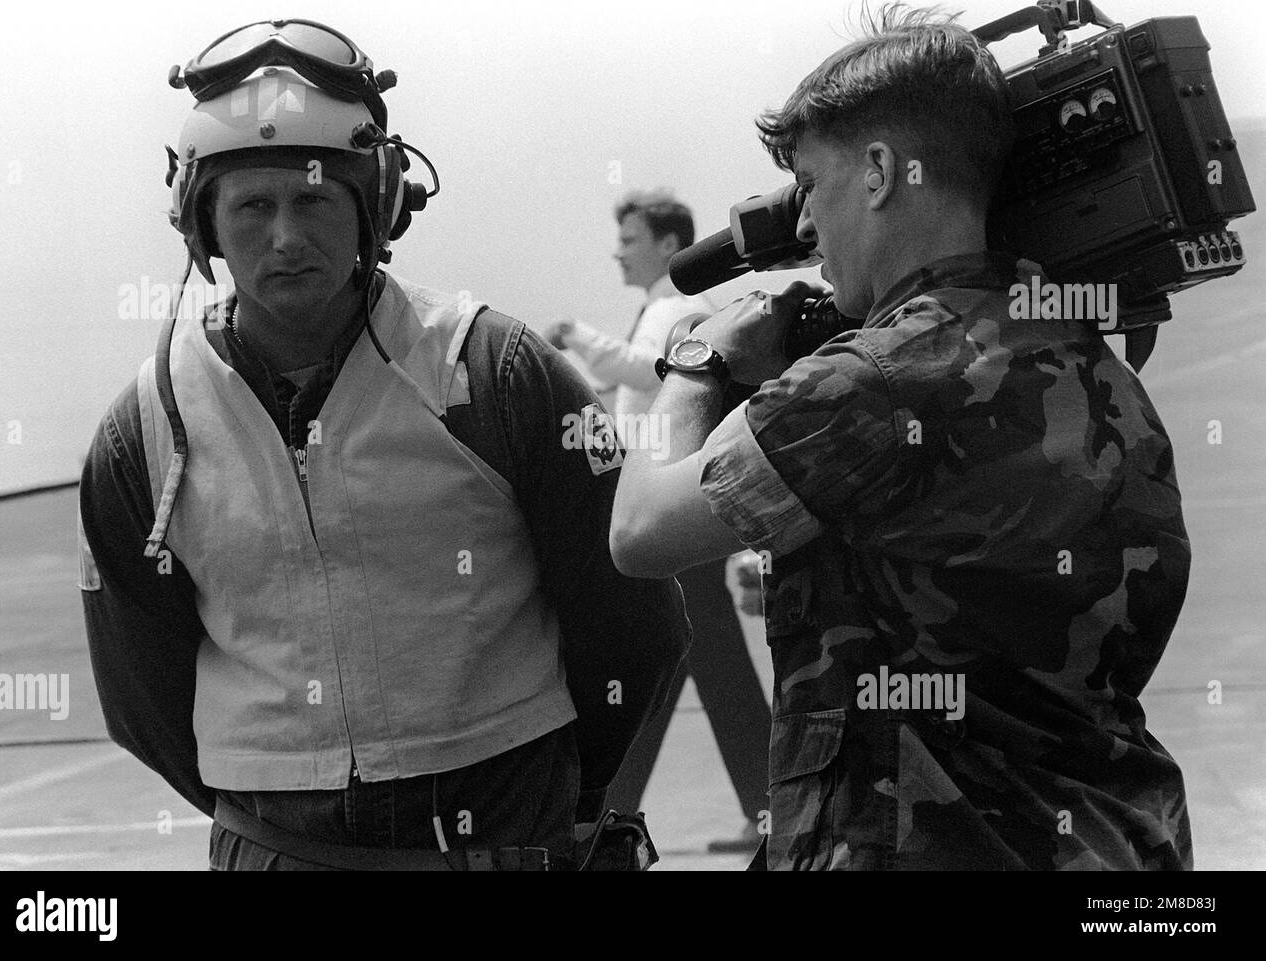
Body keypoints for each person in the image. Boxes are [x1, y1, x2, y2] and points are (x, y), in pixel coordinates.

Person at [77, 19, 689, 871]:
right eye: (252, 205)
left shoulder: (494, 376)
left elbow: (634, 630)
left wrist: (552, 807)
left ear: (377, 205)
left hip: (503, 842)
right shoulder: (146, 430)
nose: (286, 237)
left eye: (317, 199)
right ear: (202, 224)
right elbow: (143, 700)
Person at [608, 6, 1193, 870]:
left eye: (811, 183)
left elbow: (641, 530)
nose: (803, 226)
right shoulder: (1094, 359)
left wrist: (698, 359)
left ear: (880, 171)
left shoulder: (870, 380)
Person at [547, 191, 771, 847]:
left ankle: (606, 812)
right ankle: (755, 808)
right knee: (686, 659)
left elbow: (653, 370)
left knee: (651, 660)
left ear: (668, 245)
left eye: (630, 237)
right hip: (673, 512)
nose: (618, 249)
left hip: (670, 512)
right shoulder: (663, 308)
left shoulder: (680, 312)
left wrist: (576, 338)